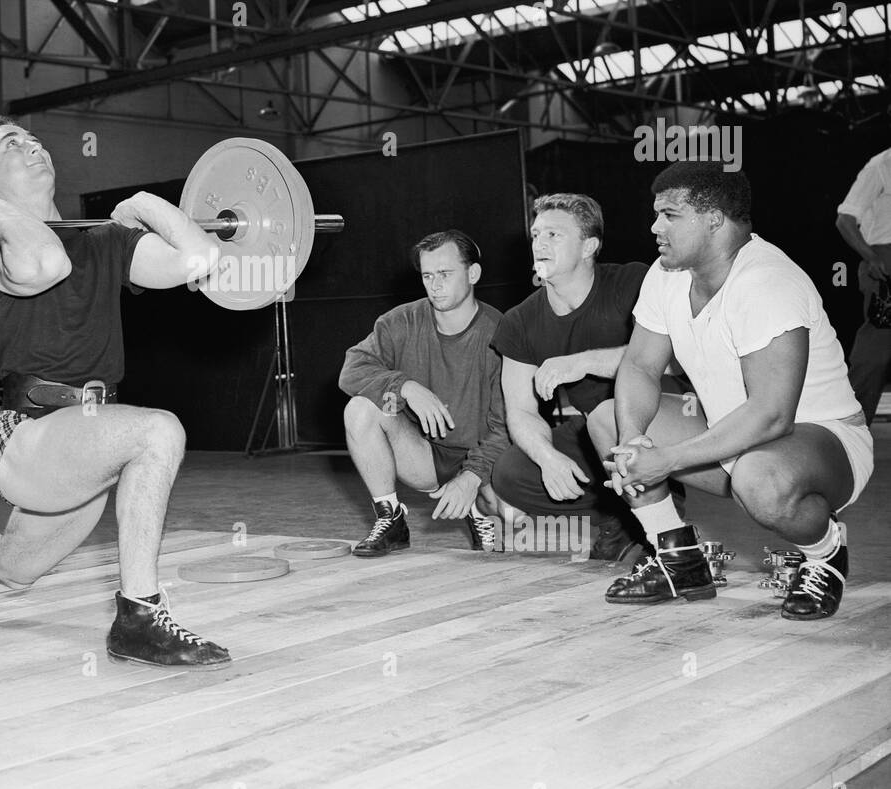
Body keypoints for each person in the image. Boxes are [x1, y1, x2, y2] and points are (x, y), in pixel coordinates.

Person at [0, 116, 231, 669]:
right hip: (26, 432)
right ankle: (139, 616)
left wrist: (143, 206)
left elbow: (202, 260)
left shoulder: (105, 241)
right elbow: (45, 263)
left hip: (87, 436)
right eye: (12, 145)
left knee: (13, 569)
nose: (32, 146)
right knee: (159, 430)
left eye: (33, 139)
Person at [591, 163, 874, 621]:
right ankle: (679, 560)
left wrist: (666, 460)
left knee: (758, 478)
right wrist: (633, 440)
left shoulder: (766, 282)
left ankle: (825, 553)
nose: (654, 226)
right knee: (608, 420)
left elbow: (771, 416)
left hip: (821, 443)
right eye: (655, 214)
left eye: (669, 215)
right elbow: (641, 365)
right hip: (732, 436)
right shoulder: (667, 275)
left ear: (714, 219)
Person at [490, 194, 649, 561]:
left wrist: (584, 362)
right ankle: (620, 517)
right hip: (597, 435)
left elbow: (672, 360)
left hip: (654, 422)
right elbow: (521, 412)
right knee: (512, 472)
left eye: (554, 235)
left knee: (609, 415)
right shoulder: (519, 321)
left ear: (589, 246)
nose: (539, 243)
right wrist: (548, 458)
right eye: (536, 234)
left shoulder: (632, 282)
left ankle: (659, 512)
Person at [339, 229, 509, 557]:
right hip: (424, 454)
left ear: (473, 274)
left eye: (445, 274)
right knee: (359, 409)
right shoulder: (401, 321)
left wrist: (472, 476)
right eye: (428, 275)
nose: (435, 284)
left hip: (485, 459)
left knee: (514, 515)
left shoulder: (501, 334)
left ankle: (480, 510)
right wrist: (405, 386)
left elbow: (507, 426)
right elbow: (352, 369)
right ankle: (391, 518)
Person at [836, 145, 891, 424]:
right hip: (884, 259)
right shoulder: (880, 165)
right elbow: (844, 220)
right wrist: (871, 258)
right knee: (875, 353)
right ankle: (850, 428)